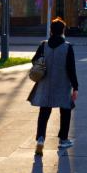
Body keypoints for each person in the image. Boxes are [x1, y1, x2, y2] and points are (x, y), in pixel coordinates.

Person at [29, 17, 78, 156]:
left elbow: (34, 61)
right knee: (66, 110)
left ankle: (40, 139)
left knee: (44, 112)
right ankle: (63, 139)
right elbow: (71, 69)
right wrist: (76, 87)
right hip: (62, 85)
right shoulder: (68, 47)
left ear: (51, 31)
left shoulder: (43, 45)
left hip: (45, 84)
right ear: (63, 31)